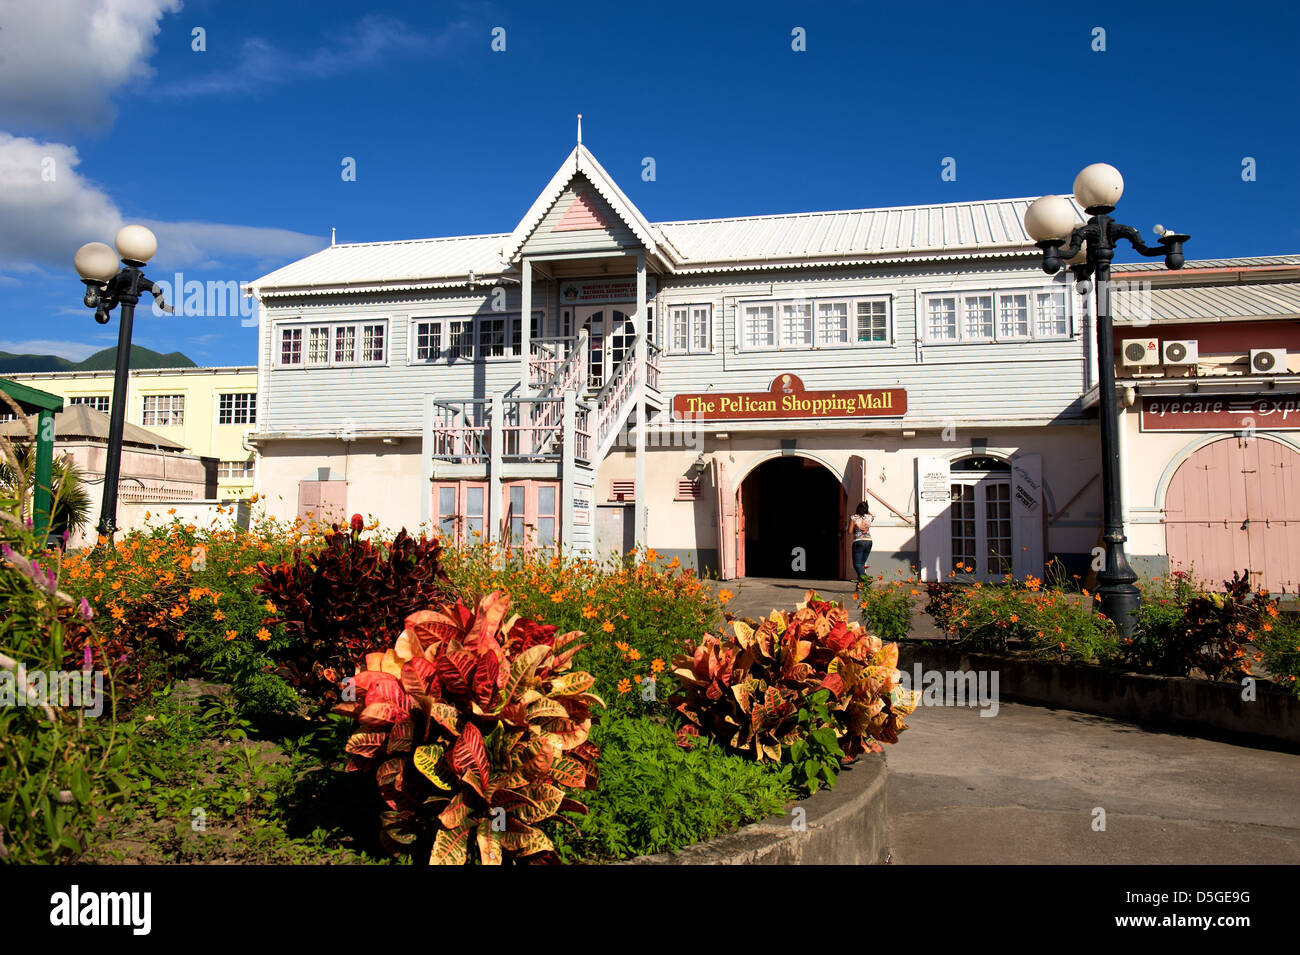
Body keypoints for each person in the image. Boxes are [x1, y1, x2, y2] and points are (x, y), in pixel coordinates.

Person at [848, 501, 873, 580]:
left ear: (858, 508)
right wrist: (866, 507)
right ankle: (861, 583)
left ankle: (866, 578)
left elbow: (850, 531)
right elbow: (871, 515)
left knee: (857, 564)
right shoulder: (869, 517)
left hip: (859, 541)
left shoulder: (853, 518)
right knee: (861, 564)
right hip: (869, 541)